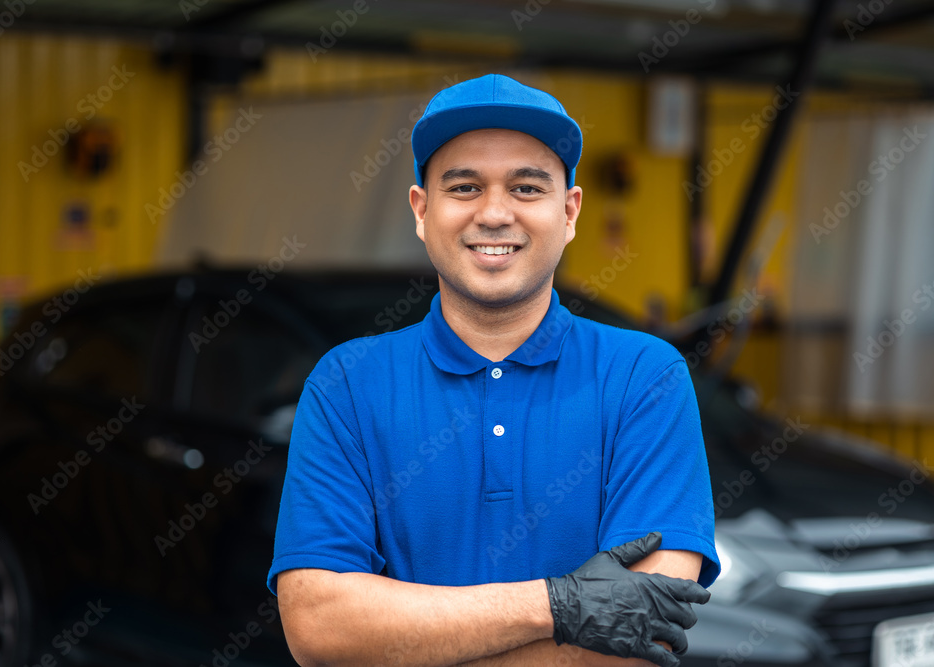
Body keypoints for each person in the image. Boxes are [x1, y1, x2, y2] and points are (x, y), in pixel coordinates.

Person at [268, 73, 720, 666]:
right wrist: (559, 605)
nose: (495, 213)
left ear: (570, 211)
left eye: (528, 187)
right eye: (464, 187)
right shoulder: (347, 384)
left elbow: (642, 634)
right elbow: (320, 628)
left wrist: (405, 638)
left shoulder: (645, 376)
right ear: (422, 210)